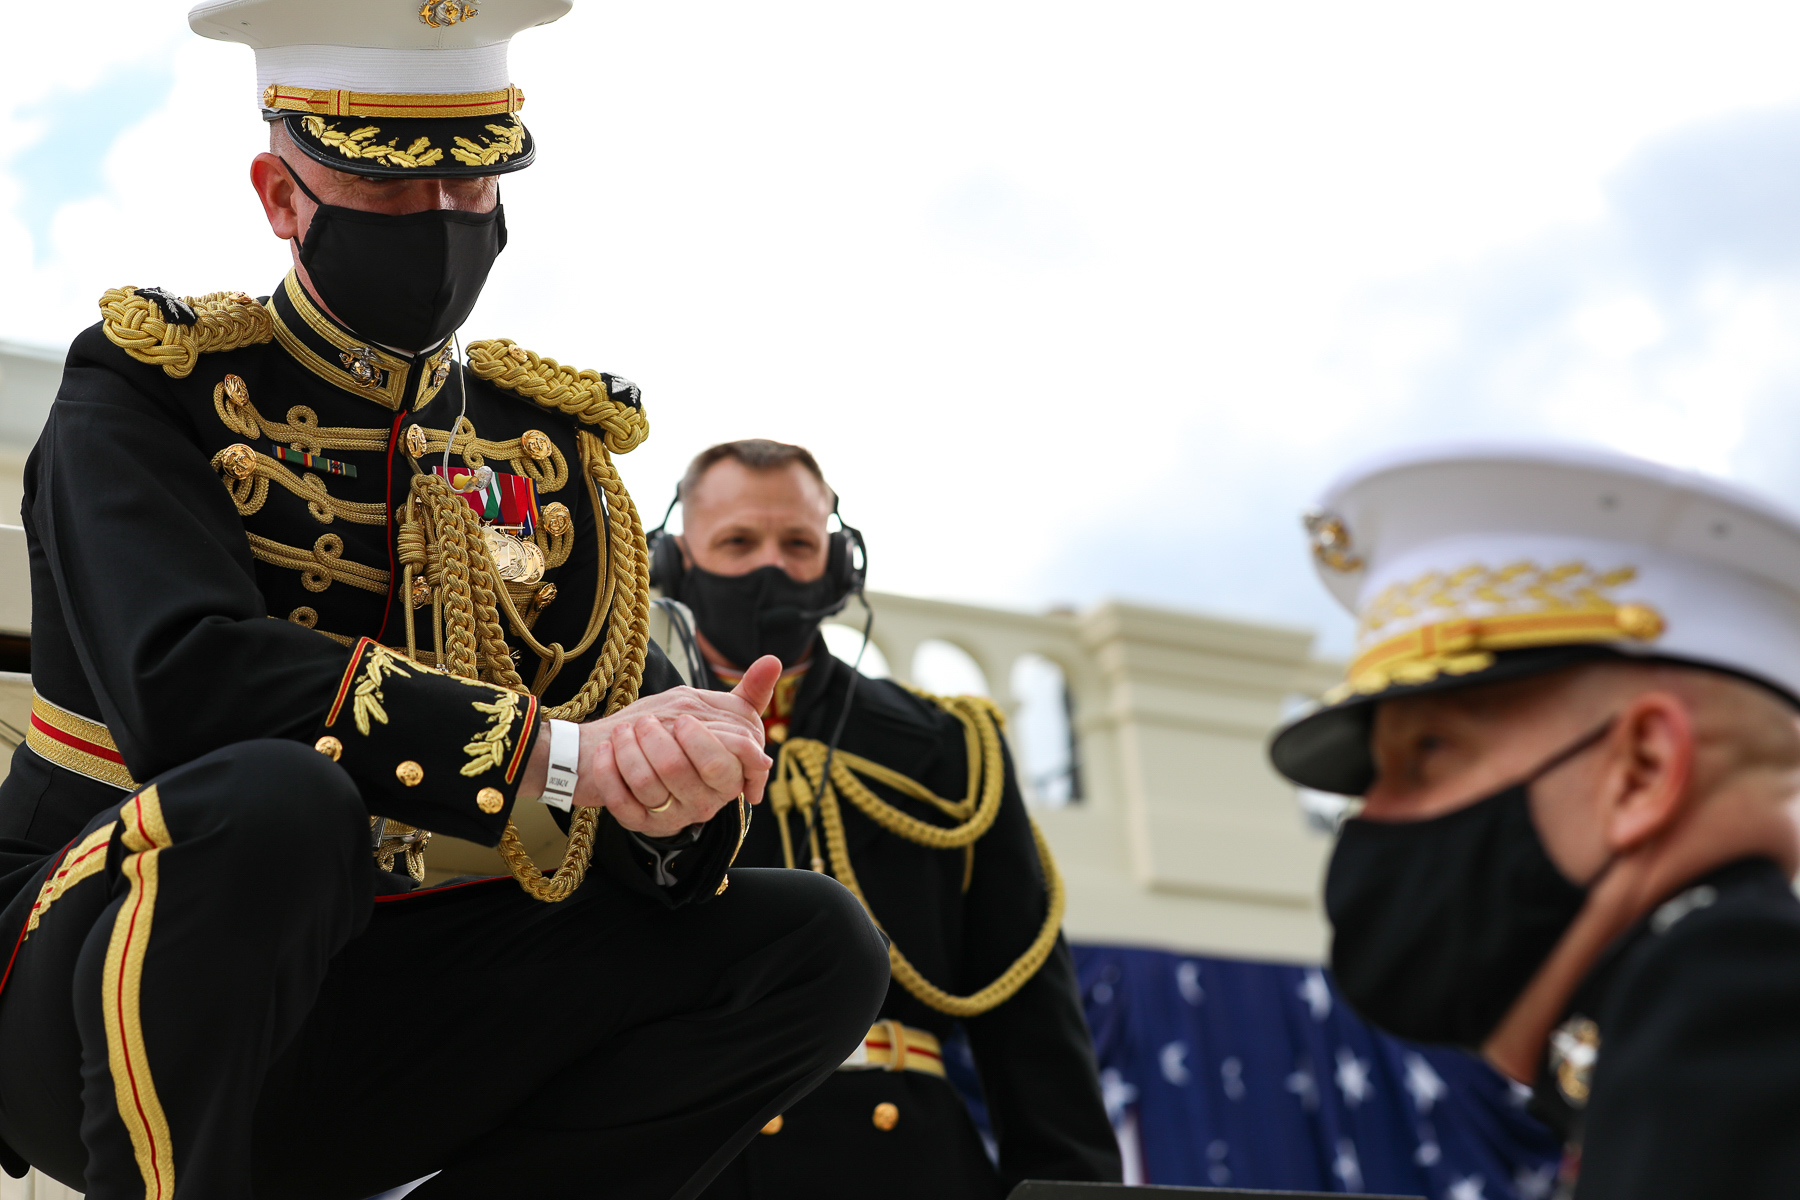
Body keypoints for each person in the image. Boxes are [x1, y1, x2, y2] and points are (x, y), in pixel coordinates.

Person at [0, 4, 890, 1197]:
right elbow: (189, 684)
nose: (440, 221)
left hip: (401, 1009)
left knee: (813, 944)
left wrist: (672, 784)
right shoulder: (150, 389)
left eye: (471, 187)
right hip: (109, 986)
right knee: (278, 800)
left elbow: (621, 747)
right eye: (389, 186)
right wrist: (559, 758)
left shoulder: (553, 448)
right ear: (281, 195)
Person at [1268, 444, 1800, 1200]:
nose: (1370, 816)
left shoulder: (1740, 1018)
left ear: (1642, 770)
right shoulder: (1655, 1043)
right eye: (1371, 776)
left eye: (1429, 751)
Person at [649, 438, 1121, 1200]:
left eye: (798, 543)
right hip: (700, 1161)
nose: (771, 566)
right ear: (676, 562)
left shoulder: (953, 749)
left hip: (907, 1163)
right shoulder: (624, 738)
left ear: (839, 564)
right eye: (737, 542)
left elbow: (1032, 1024)